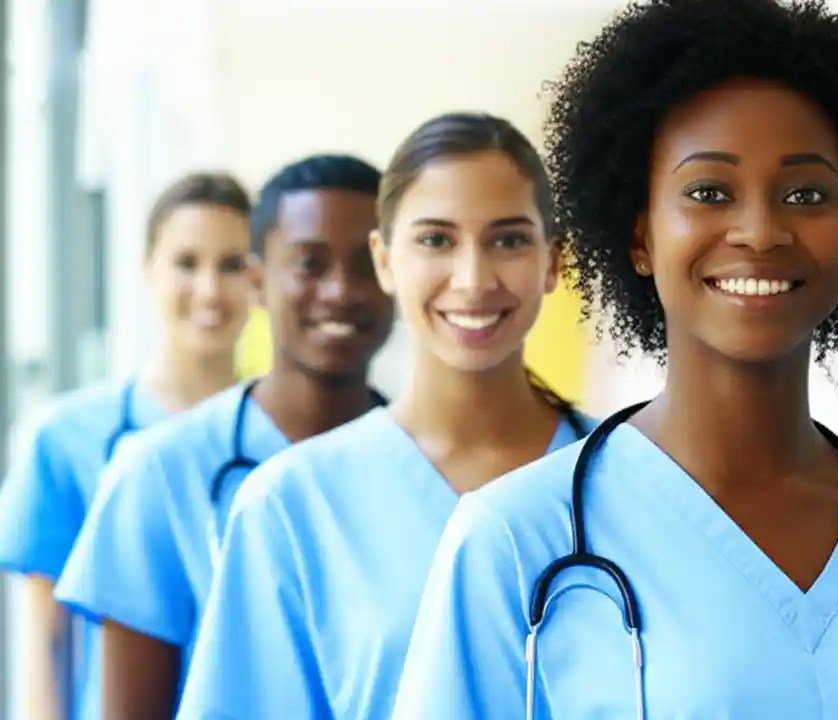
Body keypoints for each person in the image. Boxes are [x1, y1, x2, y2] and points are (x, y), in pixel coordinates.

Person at [390, 1, 838, 717]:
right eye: (709, 192)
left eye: (806, 193)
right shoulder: (513, 542)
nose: (759, 230)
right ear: (640, 237)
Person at [174, 113, 597, 720]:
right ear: (385, 260)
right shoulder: (290, 504)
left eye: (508, 240)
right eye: (436, 240)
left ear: (553, 262)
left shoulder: (626, 483)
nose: (473, 279)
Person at [53, 154, 396, 719]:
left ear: (394, 272)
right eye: (309, 263)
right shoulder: (159, 471)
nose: (340, 290)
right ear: (259, 280)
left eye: (366, 264)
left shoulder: (422, 470)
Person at [0, 172, 255, 720]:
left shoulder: (281, 442)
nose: (210, 289)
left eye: (232, 264)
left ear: (260, 277)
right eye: (186, 263)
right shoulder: (65, 437)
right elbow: (45, 646)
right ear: (147, 270)